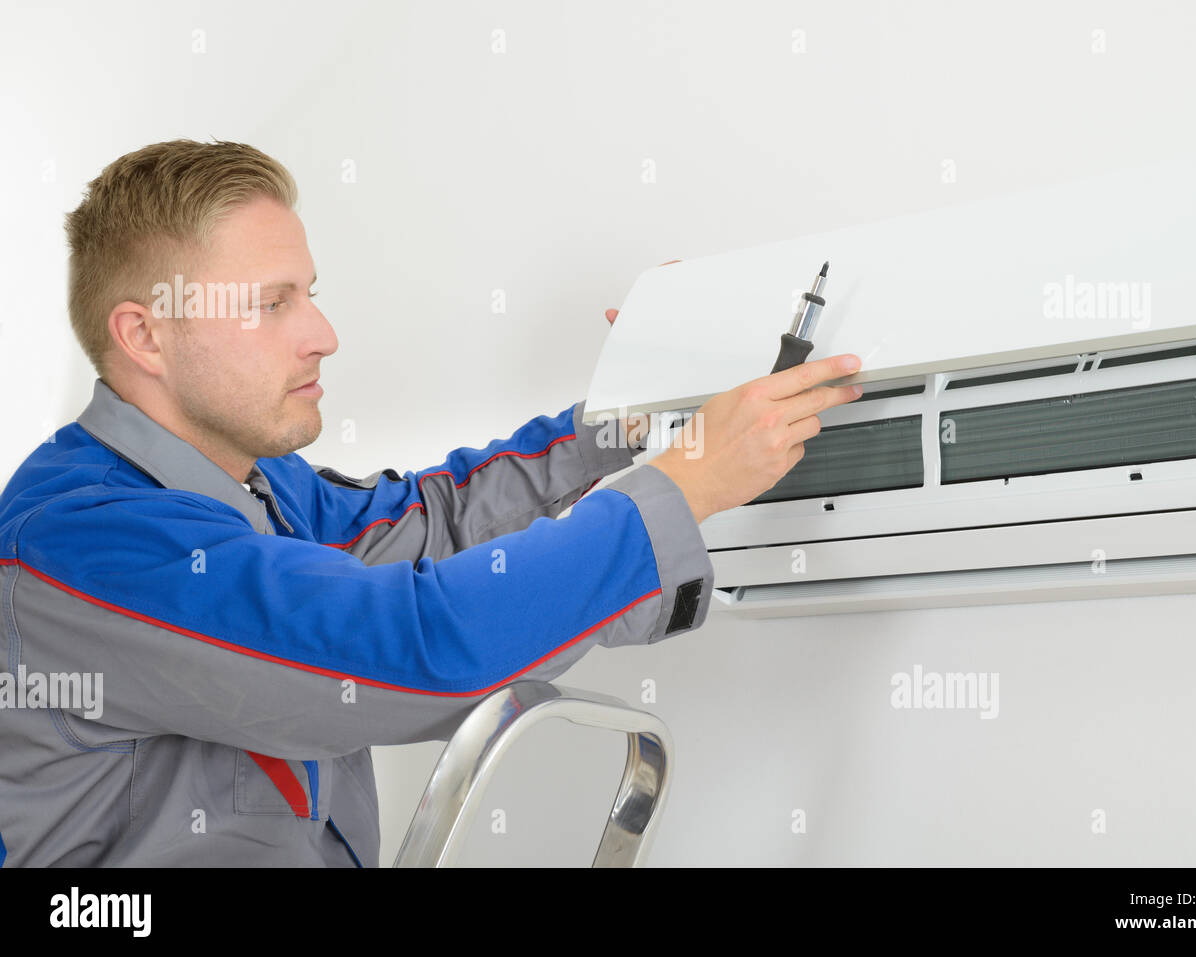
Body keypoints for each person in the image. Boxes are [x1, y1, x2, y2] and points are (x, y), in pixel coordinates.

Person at [0, 139, 862, 867]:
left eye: (310, 290)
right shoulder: (82, 543)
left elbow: (439, 530)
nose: (323, 333)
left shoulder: (257, 489)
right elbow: (410, 647)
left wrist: (632, 422)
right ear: (143, 334)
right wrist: (685, 485)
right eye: (272, 303)